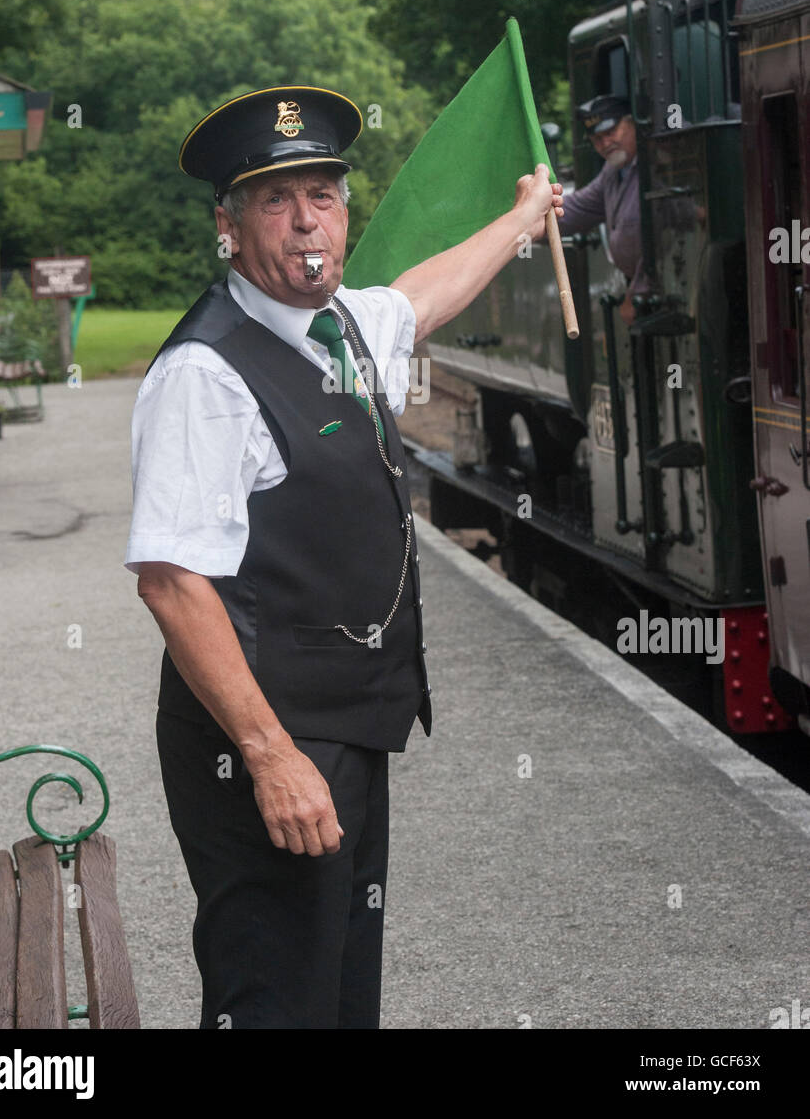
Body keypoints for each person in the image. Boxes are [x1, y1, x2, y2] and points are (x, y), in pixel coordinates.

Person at [125, 84, 563, 1029]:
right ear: (229, 228)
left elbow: (423, 295)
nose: (304, 220)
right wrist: (269, 755)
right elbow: (170, 580)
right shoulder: (203, 375)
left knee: (338, 992)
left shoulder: (348, 325)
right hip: (268, 741)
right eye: (275, 201)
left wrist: (522, 218)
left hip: (350, 729)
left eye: (321, 193)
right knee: (276, 998)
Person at [553, 94, 641, 324]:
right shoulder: (612, 172)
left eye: (610, 133)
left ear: (632, 123)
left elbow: (664, 239)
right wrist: (523, 218)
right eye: (596, 139)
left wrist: (639, 291)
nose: (604, 144)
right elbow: (574, 209)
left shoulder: (657, 166)